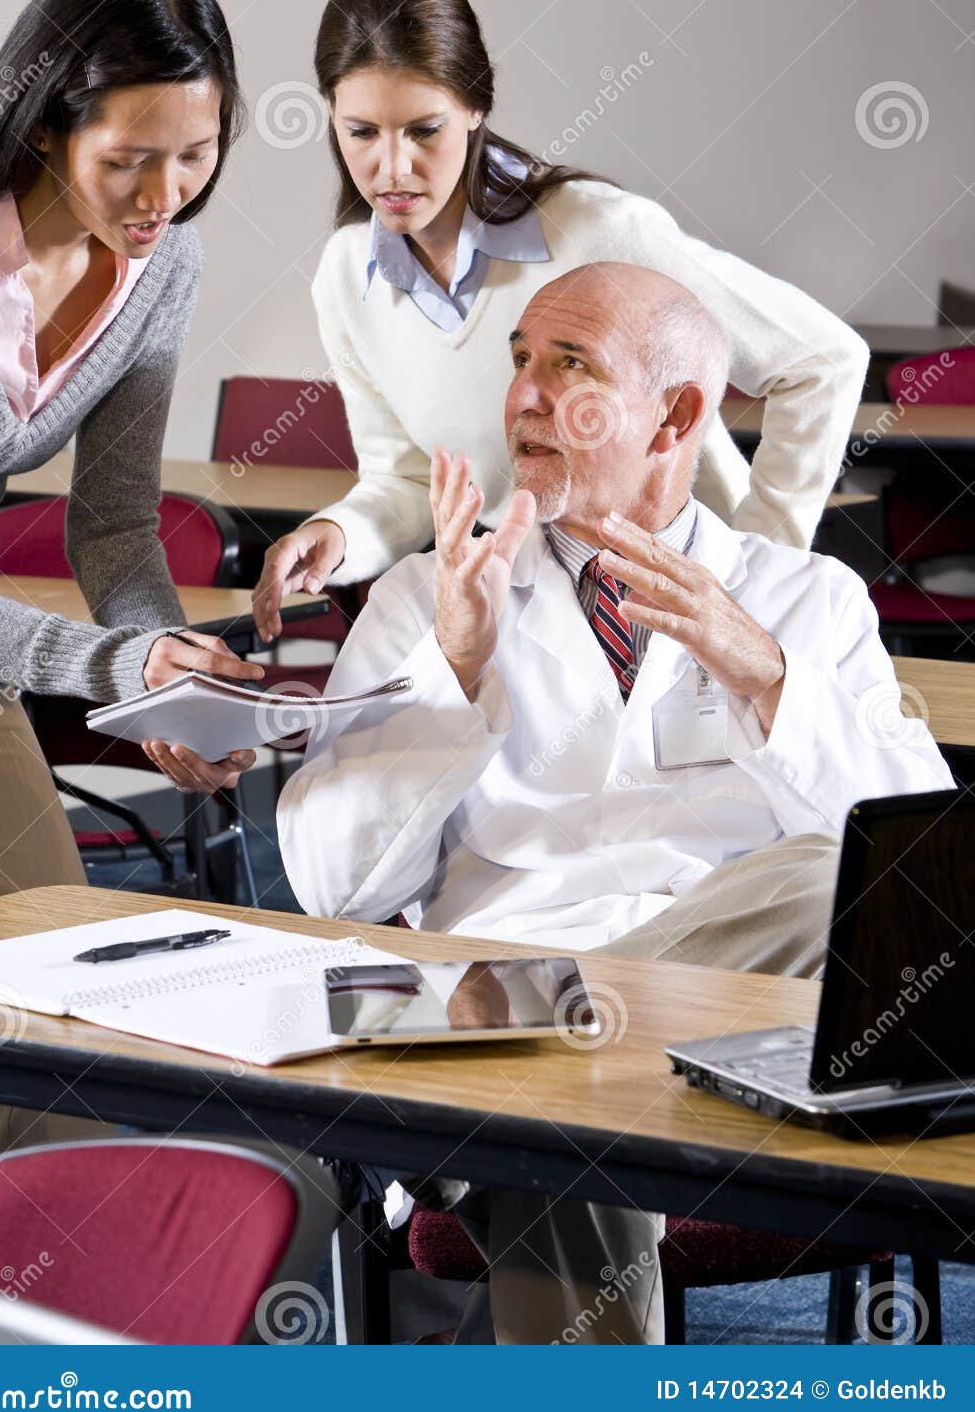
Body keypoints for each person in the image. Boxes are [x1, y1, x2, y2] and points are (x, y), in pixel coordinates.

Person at [277, 261, 952, 1344]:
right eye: (518, 364)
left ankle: (535, 1071)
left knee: (832, 877)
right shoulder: (425, 594)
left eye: (570, 365)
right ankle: (544, 1070)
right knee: (566, 1120)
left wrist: (766, 676)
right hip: (493, 1016)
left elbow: (922, 872)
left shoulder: (798, 599)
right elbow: (330, 882)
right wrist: (456, 673)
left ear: (675, 413)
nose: (524, 397)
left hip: (718, 1050)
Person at [0, 0, 262, 1166]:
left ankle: (27, 1302)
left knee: (50, 988)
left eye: (198, 153)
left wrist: (165, 681)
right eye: (130, 158)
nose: (166, 192)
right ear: (47, 121)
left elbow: (111, 522)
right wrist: (112, 662)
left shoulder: (163, 264)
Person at [254, 0, 868, 641]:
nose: (391, 168)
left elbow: (823, 361)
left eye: (424, 130)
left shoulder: (596, 230)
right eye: (361, 132)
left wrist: (757, 572)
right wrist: (335, 535)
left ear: (474, 107)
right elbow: (406, 482)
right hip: (546, 620)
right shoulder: (346, 278)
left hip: (689, 618)